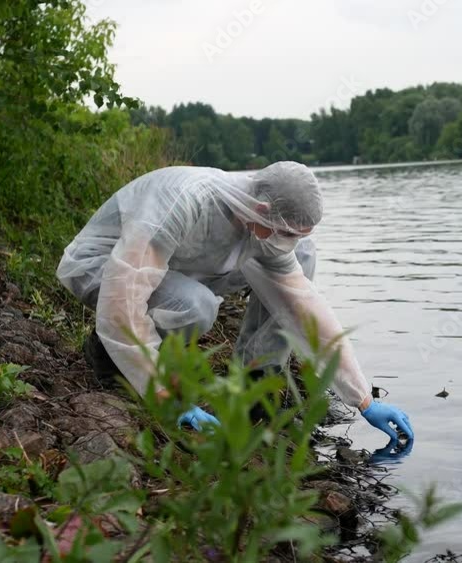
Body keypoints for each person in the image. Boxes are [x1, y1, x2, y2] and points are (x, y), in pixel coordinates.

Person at [56, 161, 414, 446]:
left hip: (183, 267)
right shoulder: (184, 203)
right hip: (106, 268)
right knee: (194, 306)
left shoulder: (259, 220)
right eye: (287, 232)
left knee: (301, 259)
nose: (287, 243)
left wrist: (363, 399)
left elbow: (305, 307)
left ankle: (257, 373)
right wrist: (166, 396)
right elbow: (123, 299)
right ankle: (106, 353)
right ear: (261, 210)